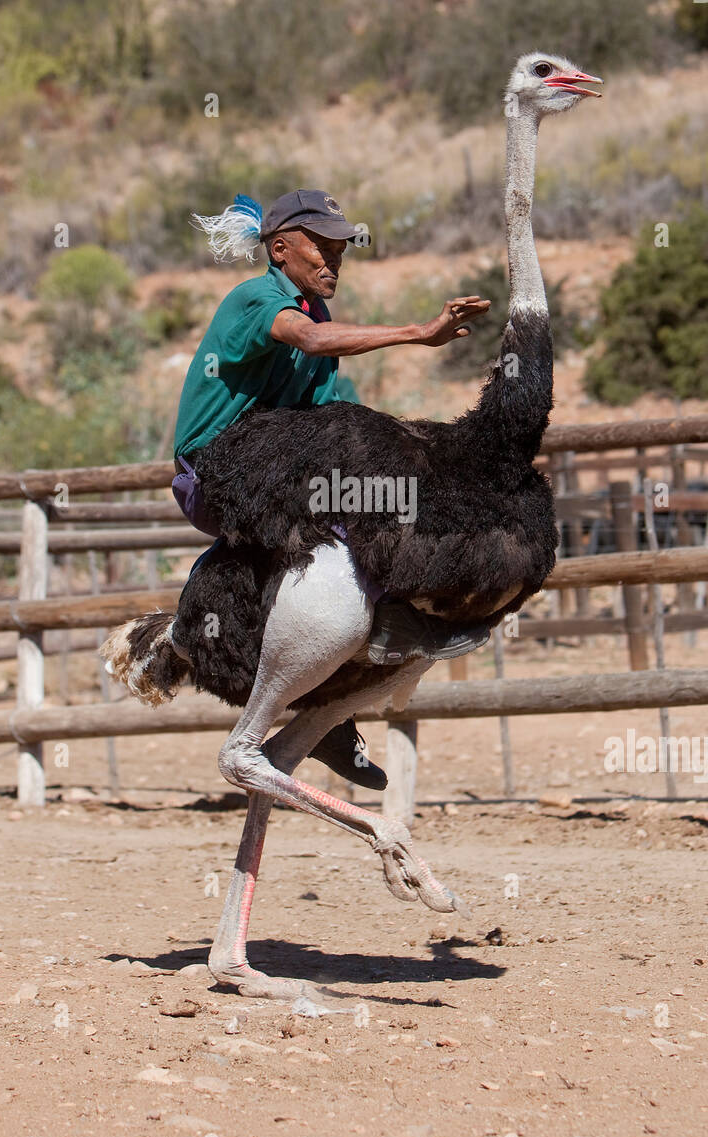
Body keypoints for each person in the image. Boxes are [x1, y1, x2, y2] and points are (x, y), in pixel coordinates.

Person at [171, 188, 491, 787]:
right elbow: (312, 340)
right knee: (346, 503)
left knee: (382, 487)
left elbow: (329, 416)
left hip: (271, 467)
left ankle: (331, 715)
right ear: (280, 248)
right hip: (214, 473)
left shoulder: (316, 317)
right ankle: (388, 625)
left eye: (340, 250)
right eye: (319, 247)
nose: (332, 261)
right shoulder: (257, 300)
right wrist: (420, 333)